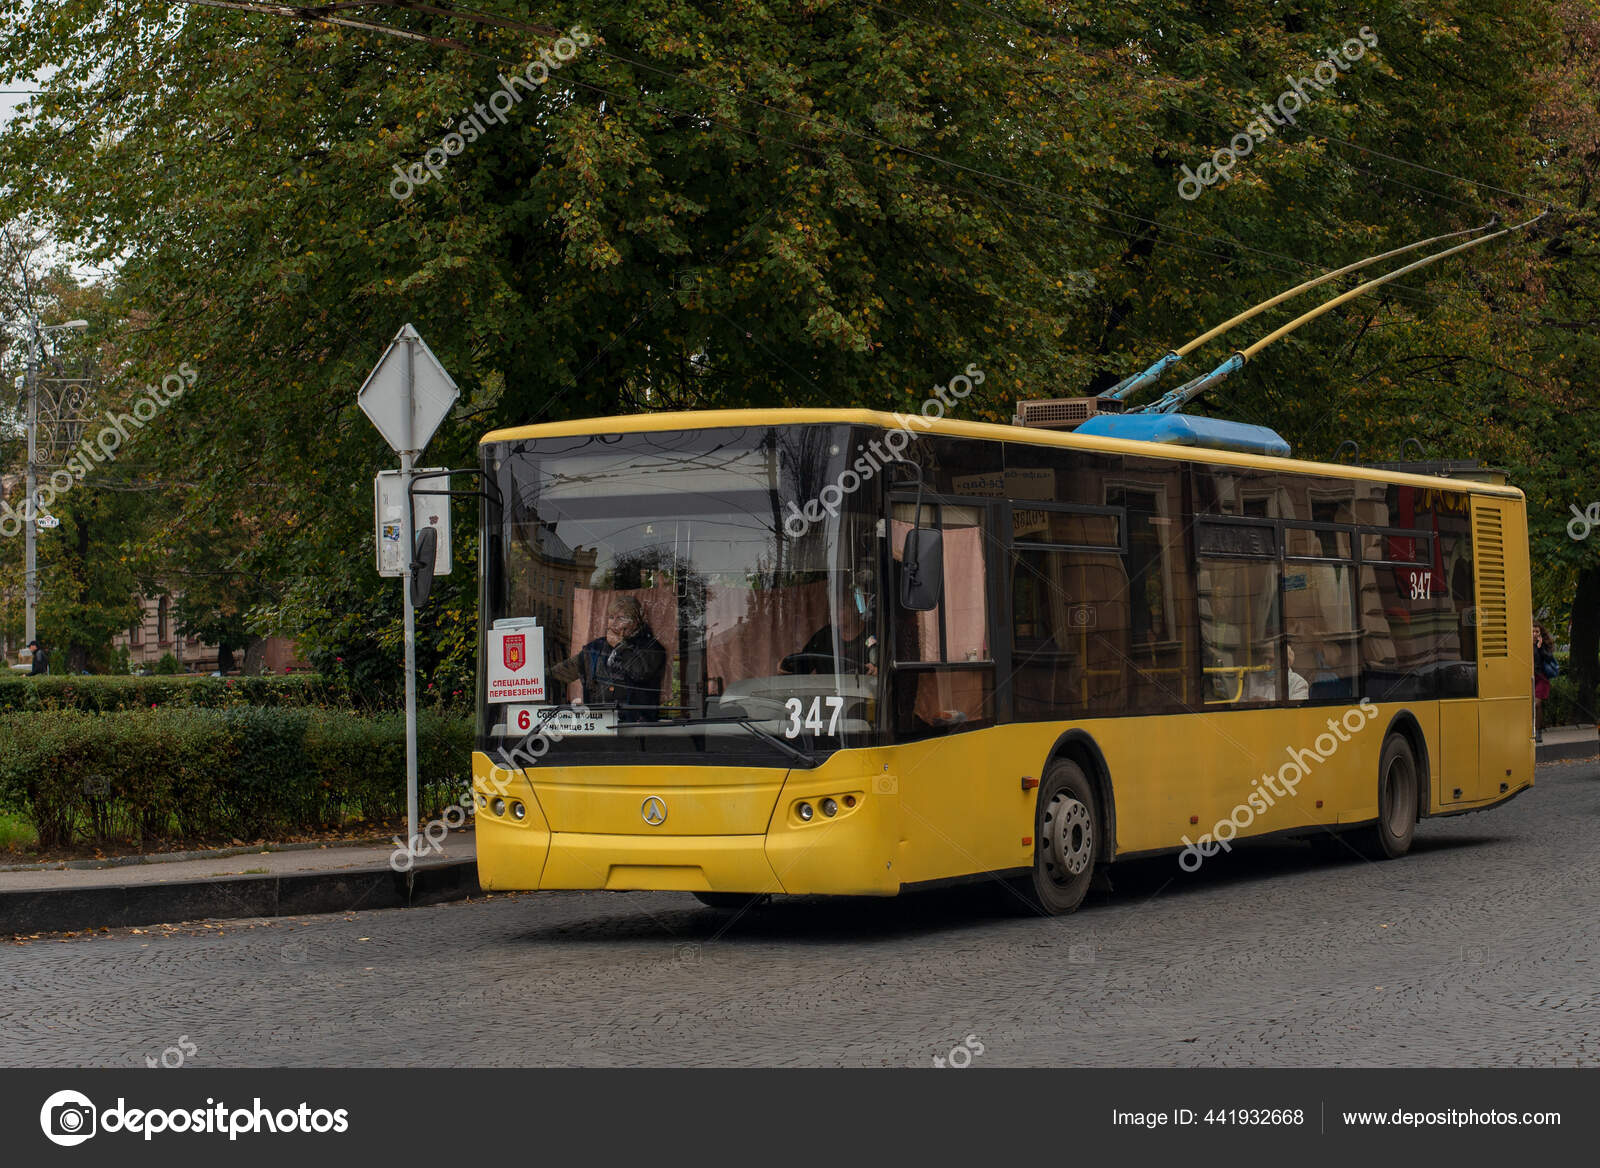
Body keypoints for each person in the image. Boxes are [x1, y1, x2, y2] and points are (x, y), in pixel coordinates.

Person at [548, 596, 667, 722]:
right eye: (611, 617)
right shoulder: (595, 648)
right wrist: (534, 679)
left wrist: (619, 646)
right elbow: (563, 671)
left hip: (633, 729)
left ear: (635, 622)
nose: (614, 623)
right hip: (599, 727)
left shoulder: (651, 648)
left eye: (621, 618)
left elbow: (640, 673)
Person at [781, 579, 878, 676]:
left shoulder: (875, 634)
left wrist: (877, 671)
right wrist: (786, 666)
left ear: (856, 607)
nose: (835, 612)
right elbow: (802, 667)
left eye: (841, 607)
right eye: (832, 607)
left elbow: (887, 670)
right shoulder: (823, 637)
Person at [1533, 622, 1558, 743]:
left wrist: (1540, 647)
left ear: (1540, 633)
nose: (1534, 634)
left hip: (1541, 678)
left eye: (1536, 631)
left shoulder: (1543, 646)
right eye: (1532, 631)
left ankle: (1538, 732)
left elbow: (1549, 658)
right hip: (1529, 679)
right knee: (1530, 706)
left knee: (1537, 704)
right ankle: (1532, 730)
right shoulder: (1525, 645)